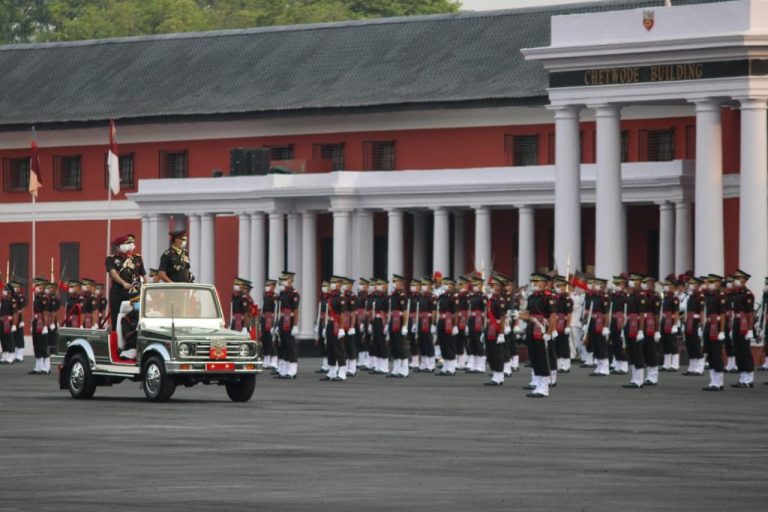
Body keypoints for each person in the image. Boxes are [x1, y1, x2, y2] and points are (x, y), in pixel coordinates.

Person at [518, 273, 552, 396]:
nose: (535, 284)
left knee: (542, 357)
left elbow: (553, 316)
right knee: (534, 356)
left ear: (545, 283)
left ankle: (544, 387)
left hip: (542, 328)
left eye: (538, 282)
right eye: (534, 282)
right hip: (532, 327)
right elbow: (528, 314)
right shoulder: (532, 297)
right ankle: (538, 384)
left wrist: (549, 333)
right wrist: (517, 314)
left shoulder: (548, 297)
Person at [105, 234, 147, 330]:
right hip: (118, 292)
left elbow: (144, 275)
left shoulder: (137, 258)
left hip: (134, 292)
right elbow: (113, 274)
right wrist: (123, 283)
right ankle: (116, 335)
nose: (129, 246)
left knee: (135, 316)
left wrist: (145, 287)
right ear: (119, 246)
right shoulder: (111, 259)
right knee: (116, 318)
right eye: (126, 244)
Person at [729, 269, 755, 388]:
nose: (735, 281)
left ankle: (749, 378)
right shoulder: (736, 294)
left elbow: (750, 314)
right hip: (737, 322)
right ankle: (742, 377)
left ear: (744, 280)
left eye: (738, 278)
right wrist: (731, 328)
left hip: (745, 323)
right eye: (735, 278)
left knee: (745, 350)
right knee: (738, 350)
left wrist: (750, 329)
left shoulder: (748, 294)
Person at [702, 275, 727, 391]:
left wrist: (722, 331)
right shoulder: (708, 296)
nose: (710, 284)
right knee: (710, 353)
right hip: (709, 324)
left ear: (718, 283)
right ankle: (713, 381)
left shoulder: (721, 296)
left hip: (716, 325)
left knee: (716, 354)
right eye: (709, 282)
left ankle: (719, 382)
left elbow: (723, 315)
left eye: (712, 282)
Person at [275, 271, 300, 379]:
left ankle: (293, 370)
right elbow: (279, 310)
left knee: (291, 345)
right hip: (283, 320)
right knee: (284, 345)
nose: (283, 281)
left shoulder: (294, 294)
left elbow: (296, 310)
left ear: (291, 280)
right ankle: (285, 369)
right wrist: (277, 325)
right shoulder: (282, 293)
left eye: (285, 279)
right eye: (283, 280)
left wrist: (295, 325)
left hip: (290, 321)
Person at [322, 276, 346, 381]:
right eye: (331, 282)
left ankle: (342, 372)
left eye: (335, 282)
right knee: (330, 348)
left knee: (338, 348)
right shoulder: (331, 297)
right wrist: (325, 327)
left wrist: (341, 328)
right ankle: (332, 371)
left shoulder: (341, 297)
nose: (332, 284)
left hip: (337, 324)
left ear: (339, 284)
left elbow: (342, 314)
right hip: (330, 323)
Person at [681, 276, 706, 376]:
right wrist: (685, 322)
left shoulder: (700, 296)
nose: (690, 285)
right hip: (689, 321)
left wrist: (701, 325)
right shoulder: (691, 296)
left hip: (696, 322)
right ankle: (691, 367)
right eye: (690, 283)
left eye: (692, 283)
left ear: (698, 285)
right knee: (690, 344)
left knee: (696, 344)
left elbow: (702, 312)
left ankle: (699, 368)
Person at [387, 274, 409, 378]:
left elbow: (405, 312)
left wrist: (404, 325)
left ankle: (404, 370)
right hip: (393, 321)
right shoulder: (393, 295)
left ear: (401, 283)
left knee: (400, 345)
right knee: (394, 345)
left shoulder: (402, 296)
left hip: (399, 322)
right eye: (394, 282)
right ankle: (396, 369)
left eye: (396, 282)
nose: (395, 284)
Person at [435, 277, 457, 376]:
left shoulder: (454, 297)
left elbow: (456, 313)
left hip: (449, 322)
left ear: (452, 286)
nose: (446, 286)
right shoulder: (441, 296)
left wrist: (455, 326)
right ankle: (446, 366)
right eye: (445, 284)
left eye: (448, 284)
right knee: (442, 343)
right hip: (441, 321)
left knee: (449, 343)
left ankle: (451, 367)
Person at [552, 275, 574, 374]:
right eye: (557, 286)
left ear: (564, 286)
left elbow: (569, 314)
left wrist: (568, 326)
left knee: (564, 344)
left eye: (561, 286)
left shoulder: (567, 299)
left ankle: (566, 364)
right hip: (555, 323)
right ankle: (558, 363)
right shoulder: (554, 297)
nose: (559, 288)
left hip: (563, 323)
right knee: (556, 343)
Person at [658, 279, 681, 372]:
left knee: (672, 343)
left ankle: (675, 364)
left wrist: (675, 325)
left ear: (673, 287)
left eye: (668, 285)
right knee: (665, 342)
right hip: (665, 320)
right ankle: (666, 364)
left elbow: (676, 312)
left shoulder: (675, 298)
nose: (666, 287)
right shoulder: (666, 297)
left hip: (671, 321)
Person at [29, 278, 51, 374]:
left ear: (43, 286)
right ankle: (38, 367)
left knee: (43, 344)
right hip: (36, 322)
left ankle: (46, 367)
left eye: (38, 285)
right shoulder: (37, 297)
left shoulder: (44, 298)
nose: (37, 287)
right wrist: (32, 323)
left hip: (42, 323)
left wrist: (45, 326)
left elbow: (45, 313)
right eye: (36, 285)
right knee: (36, 344)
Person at [608, 275, 629, 375]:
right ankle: (617, 364)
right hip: (614, 320)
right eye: (615, 284)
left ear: (623, 284)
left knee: (621, 343)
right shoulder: (614, 295)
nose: (616, 286)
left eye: (618, 284)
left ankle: (624, 365)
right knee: (615, 342)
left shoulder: (625, 296)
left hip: (621, 320)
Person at [261, 279, 278, 371]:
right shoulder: (266, 296)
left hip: (271, 320)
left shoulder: (274, 297)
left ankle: (274, 361)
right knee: (265, 340)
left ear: (274, 286)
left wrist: (274, 323)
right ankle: (266, 360)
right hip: (265, 319)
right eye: (266, 285)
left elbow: (276, 310)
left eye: (269, 285)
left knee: (272, 340)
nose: (267, 287)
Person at [120, 295, 140, 360]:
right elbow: (126, 336)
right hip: (132, 345)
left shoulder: (143, 317)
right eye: (137, 302)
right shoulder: (126, 318)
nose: (139, 304)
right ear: (132, 304)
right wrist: (136, 330)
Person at [0, 283, 15, 364]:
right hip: (2, 321)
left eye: (5, 290)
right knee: (3, 338)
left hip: (8, 322)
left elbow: (14, 313)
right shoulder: (4, 300)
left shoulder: (12, 301)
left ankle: (11, 355)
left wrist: (14, 324)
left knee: (9, 338)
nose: (3, 291)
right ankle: (5, 355)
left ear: (9, 292)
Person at [11, 281, 26, 362]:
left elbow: (23, 309)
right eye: (15, 287)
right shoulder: (13, 297)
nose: (16, 288)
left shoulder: (21, 297)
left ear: (20, 288)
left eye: (17, 287)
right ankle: (15, 354)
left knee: (19, 336)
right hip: (13, 318)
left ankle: (20, 355)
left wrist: (22, 321)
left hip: (19, 318)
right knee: (14, 336)